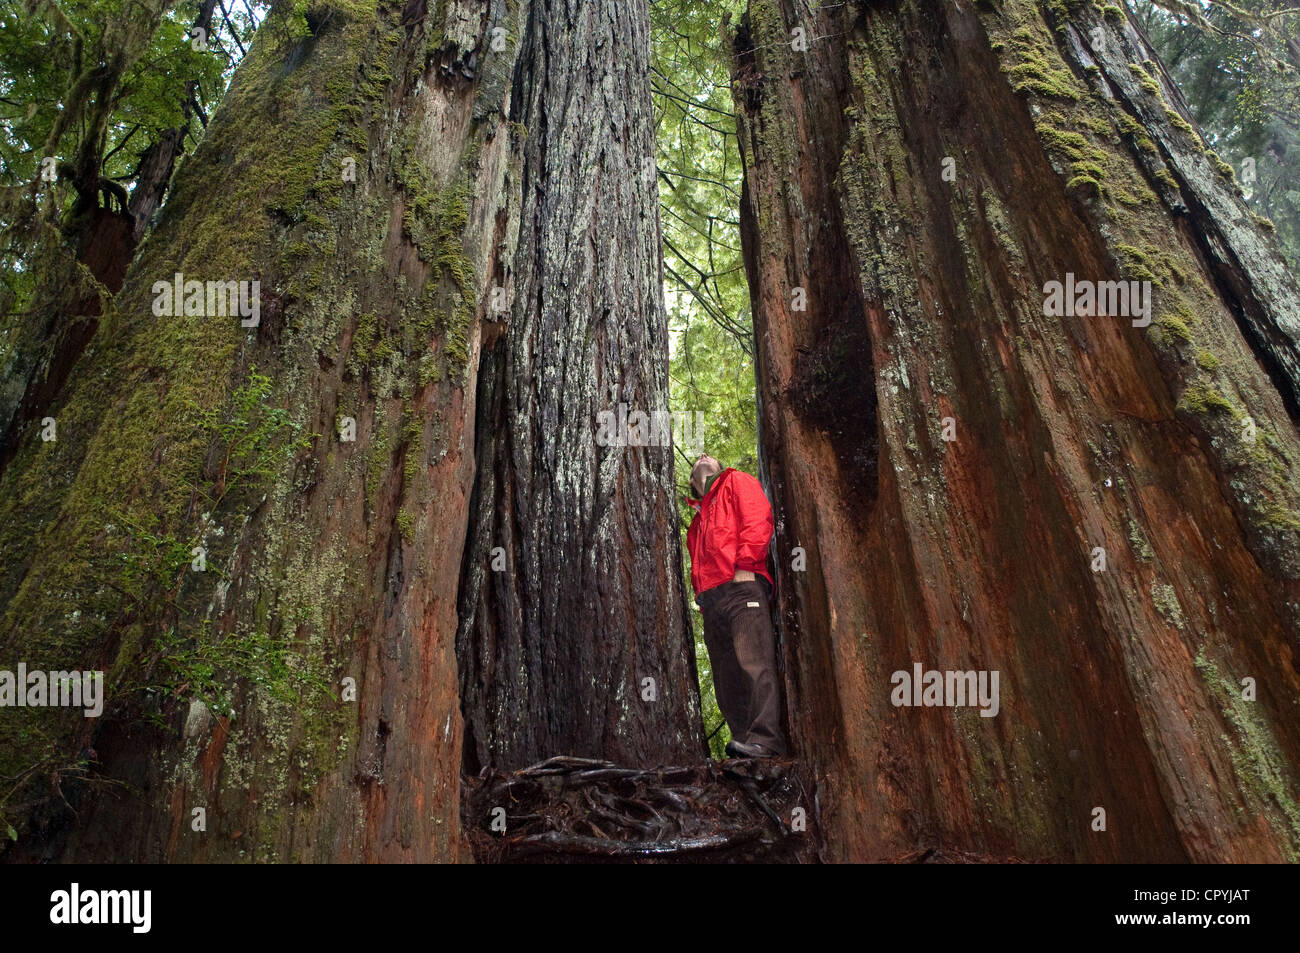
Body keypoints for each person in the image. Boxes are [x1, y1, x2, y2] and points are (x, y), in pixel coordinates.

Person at [685, 453, 788, 759]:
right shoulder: (695, 524)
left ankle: (766, 740)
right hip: (712, 602)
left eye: (710, 457)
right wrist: (703, 601)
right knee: (725, 677)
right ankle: (744, 743)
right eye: (698, 460)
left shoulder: (736, 481)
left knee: (754, 662)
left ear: (718, 468)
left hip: (742, 587)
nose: (704, 456)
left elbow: (758, 518)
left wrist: (746, 565)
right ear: (692, 483)